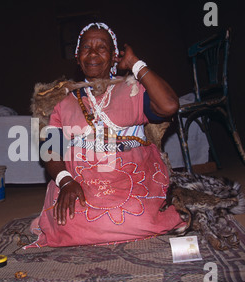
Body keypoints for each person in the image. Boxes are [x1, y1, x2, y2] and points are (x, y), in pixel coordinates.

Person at [27, 22, 186, 248]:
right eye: (85, 48)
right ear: (77, 56)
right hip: (79, 178)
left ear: (113, 57)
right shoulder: (60, 100)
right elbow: (49, 149)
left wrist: (135, 64)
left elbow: (170, 105)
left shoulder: (133, 88)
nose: (92, 54)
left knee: (135, 214)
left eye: (101, 48)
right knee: (68, 222)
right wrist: (65, 181)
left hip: (132, 175)